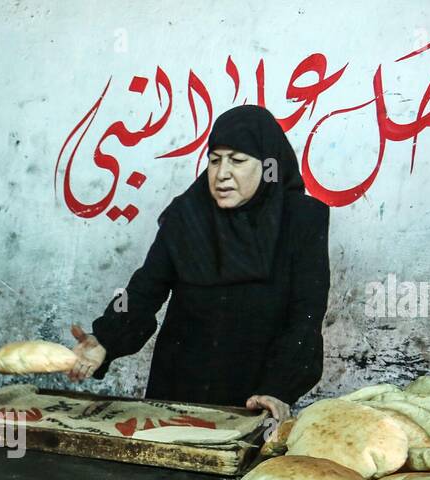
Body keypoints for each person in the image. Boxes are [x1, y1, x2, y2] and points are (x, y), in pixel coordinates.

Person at [68, 104, 331, 422]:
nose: (222, 174)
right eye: (214, 159)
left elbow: (306, 315)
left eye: (237, 161)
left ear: (268, 164)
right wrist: (103, 339)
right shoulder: (187, 215)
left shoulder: (301, 221)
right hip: (175, 392)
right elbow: (142, 290)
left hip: (254, 397)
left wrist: (277, 389)